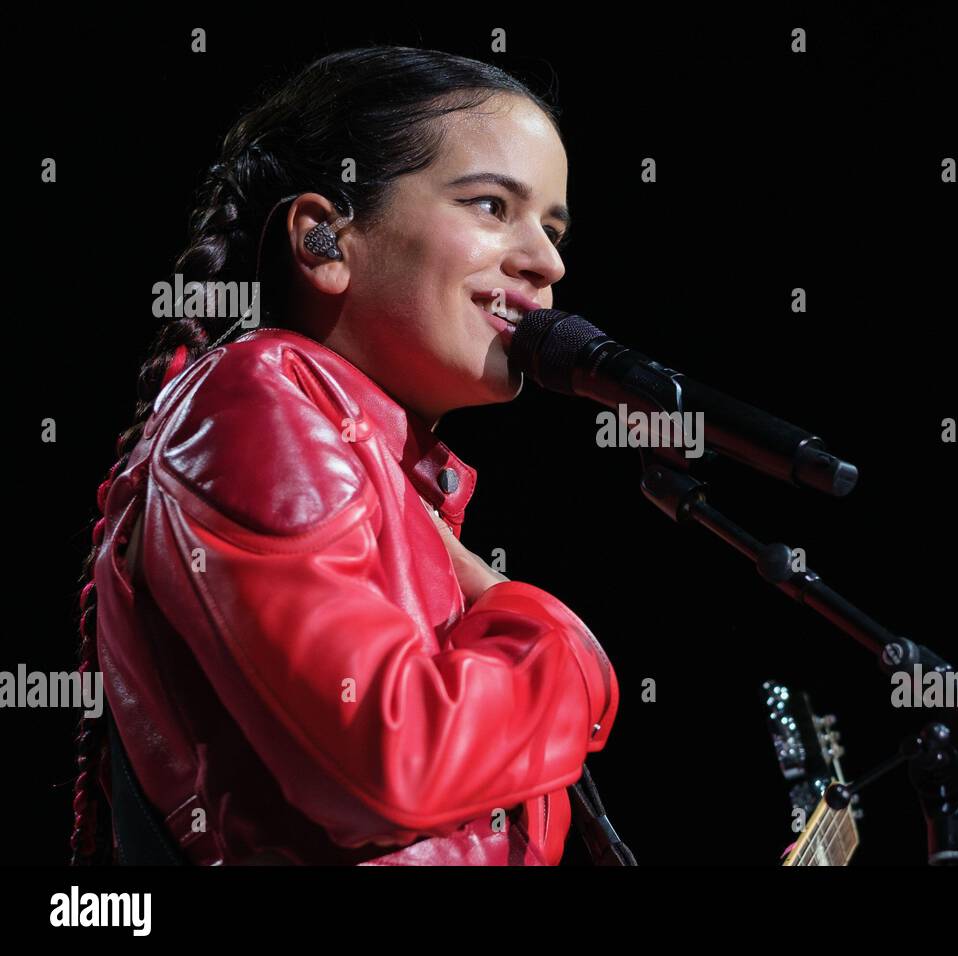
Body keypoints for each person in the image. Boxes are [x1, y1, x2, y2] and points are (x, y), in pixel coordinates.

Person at [70, 46, 621, 865]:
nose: (548, 261)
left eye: (552, 225)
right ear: (324, 241)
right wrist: (568, 652)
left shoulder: (390, 475)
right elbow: (397, 759)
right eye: (491, 206)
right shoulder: (254, 396)